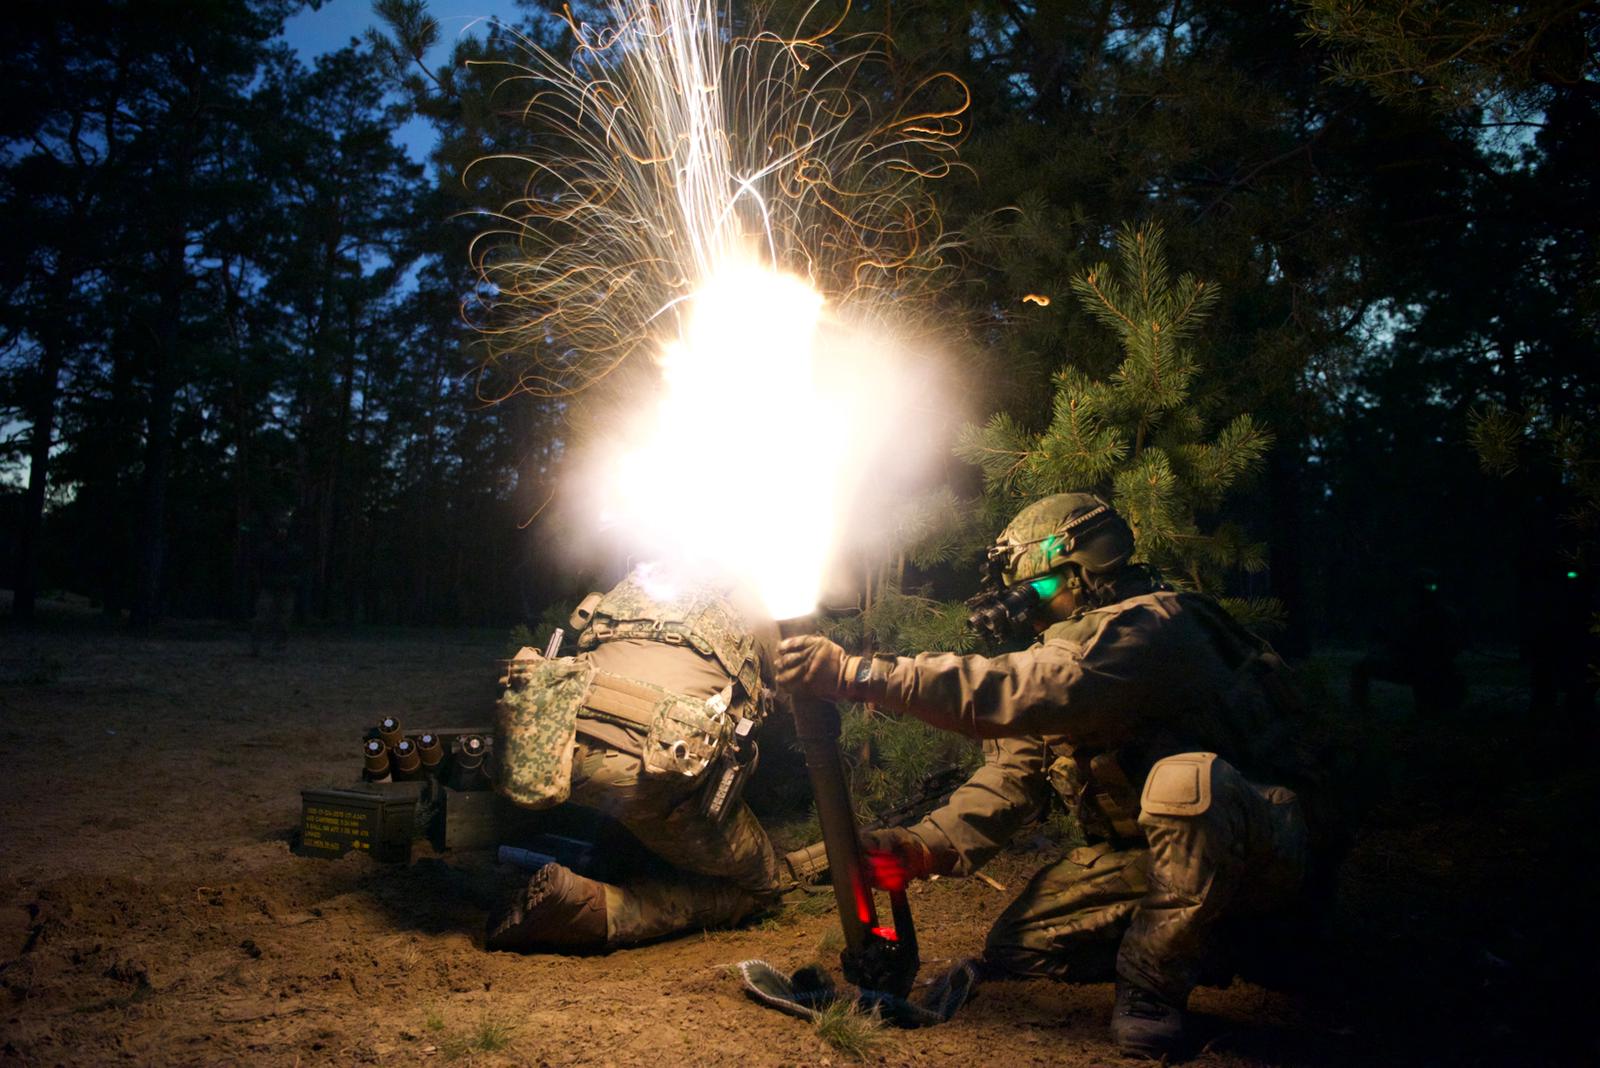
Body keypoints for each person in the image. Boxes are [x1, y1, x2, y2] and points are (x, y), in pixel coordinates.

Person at [777, 494, 1333, 1059]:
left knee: (1185, 783)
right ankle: (1220, 940)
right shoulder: (1071, 648)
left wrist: (860, 674)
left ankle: (1152, 988)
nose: (1029, 610)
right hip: (1161, 861)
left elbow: (1031, 687)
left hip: (1268, 846)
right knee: (1020, 948)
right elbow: (1013, 777)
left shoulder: (1157, 628)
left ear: (1085, 568)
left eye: (1037, 589)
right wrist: (923, 848)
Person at [487, 563, 785, 951]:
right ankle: (597, 909)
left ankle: (626, 856)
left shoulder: (644, 579)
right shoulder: (753, 598)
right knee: (762, 888)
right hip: (648, 772)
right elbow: (781, 698)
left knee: (633, 803)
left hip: (559, 751)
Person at [1349, 570, 1465, 717]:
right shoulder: (1447, 614)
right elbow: (1458, 645)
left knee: (1360, 668)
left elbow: (1404, 646)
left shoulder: (1423, 617)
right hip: (1440, 669)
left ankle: (1359, 712)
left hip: (1418, 669)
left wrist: (1384, 638)